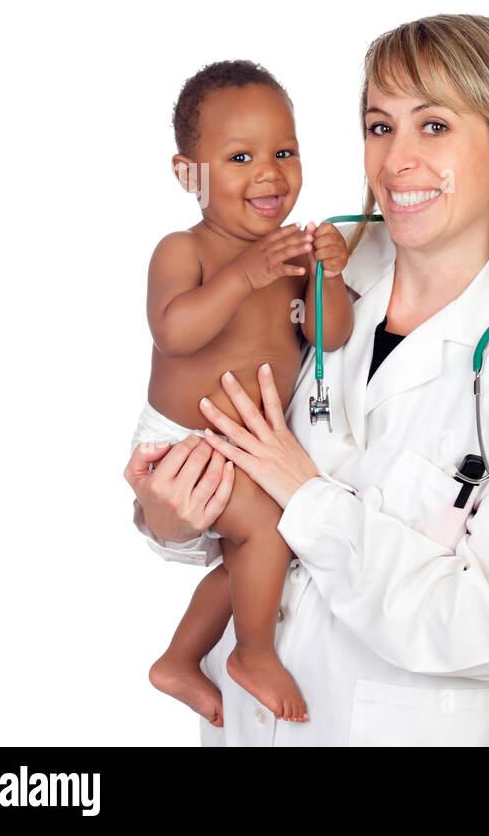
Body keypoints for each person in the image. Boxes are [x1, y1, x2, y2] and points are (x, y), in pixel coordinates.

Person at [124, 14, 489, 746]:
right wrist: (169, 519)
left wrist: (307, 496)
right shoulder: (319, 269)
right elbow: (216, 505)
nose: (397, 160)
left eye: (433, 126)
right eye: (380, 126)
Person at [134, 60, 352, 725]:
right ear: (188, 174)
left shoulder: (292, 256)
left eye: (284, 151)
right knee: (265, 530)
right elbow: (173, 330)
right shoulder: (185, 250)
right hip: (183, 443)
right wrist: (242, 276)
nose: (269, 173)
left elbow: (330, 335)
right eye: (240, 157)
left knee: (246, 561)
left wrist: (327, 277)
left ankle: (180, 659)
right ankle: (253, 651)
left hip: (240, 450)